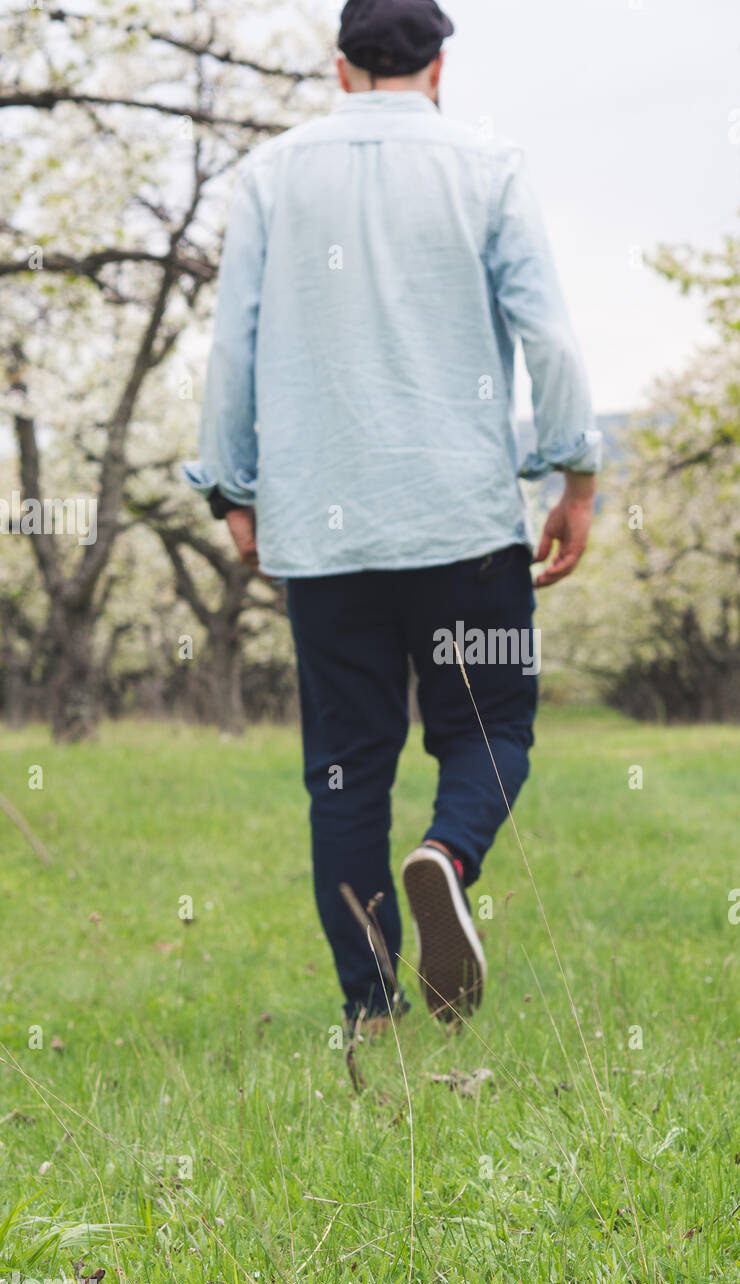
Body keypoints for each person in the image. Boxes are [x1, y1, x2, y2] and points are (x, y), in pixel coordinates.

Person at [187, 0, 601, 1029]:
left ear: (340, 68)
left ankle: (370, 1007)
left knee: (346, 767)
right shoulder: (487, 167)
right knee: (494, 723)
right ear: (440, 64)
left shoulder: (272, 174)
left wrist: (231, 488)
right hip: (462, 524)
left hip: (326, 537)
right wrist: (575, 476)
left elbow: (232, 347)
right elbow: (546, 334)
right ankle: (448, 853)